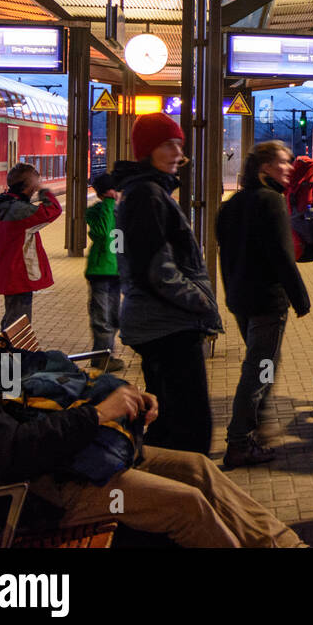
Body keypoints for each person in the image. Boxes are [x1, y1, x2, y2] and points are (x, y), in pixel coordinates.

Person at [0, 263, 302, 547]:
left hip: (73, 459)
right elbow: (9, 451)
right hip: (37, 494)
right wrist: (99, 414)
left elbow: (59, 383)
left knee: (196, 468)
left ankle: (288, 546)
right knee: (185, 504)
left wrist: (123, 394)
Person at [112, 112, 222, 455]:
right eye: (167, 145)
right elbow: (156, 270)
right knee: (190, 426)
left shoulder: (141, 191)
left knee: (167, 418)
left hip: (156, 321)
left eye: (179, 145)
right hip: (167, 325)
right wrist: (200, 301)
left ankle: (165, 489)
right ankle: (185, 494)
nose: (177, 152)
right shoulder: (147, 195)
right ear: (148, 150)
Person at [216, 141, 310, 468]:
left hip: (240, 300)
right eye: (283, 162)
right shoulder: (272, 202)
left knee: (263, 363)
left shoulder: (231, 205)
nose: (289, 168)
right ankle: (239, 440)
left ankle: (256, 426)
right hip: (267, 302)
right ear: (264, 168)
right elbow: (283, 256)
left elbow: (224, 256)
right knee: (259, 369)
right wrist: (301, 298)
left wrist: (230, 294)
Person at [0, 162, 61, 330]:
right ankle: (13, 354)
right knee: (18, 323)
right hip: (19, 274)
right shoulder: (19, 211)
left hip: (9, 272)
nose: (36, 189)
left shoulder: (4, 206)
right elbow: (53, 210)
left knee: (13, 317)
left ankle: (10, 351)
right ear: (28, 186)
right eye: (35, 185)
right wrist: (44, 191)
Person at [84, 173, 124, 372]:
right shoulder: (99, 211)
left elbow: (123, 243)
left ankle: (106, 354)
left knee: (114, 316)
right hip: (100, 271)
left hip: (116, 272)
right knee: (102, 317)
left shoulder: (121, 212)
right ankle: (101, 358)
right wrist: (109, 204)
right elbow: (101, 232)